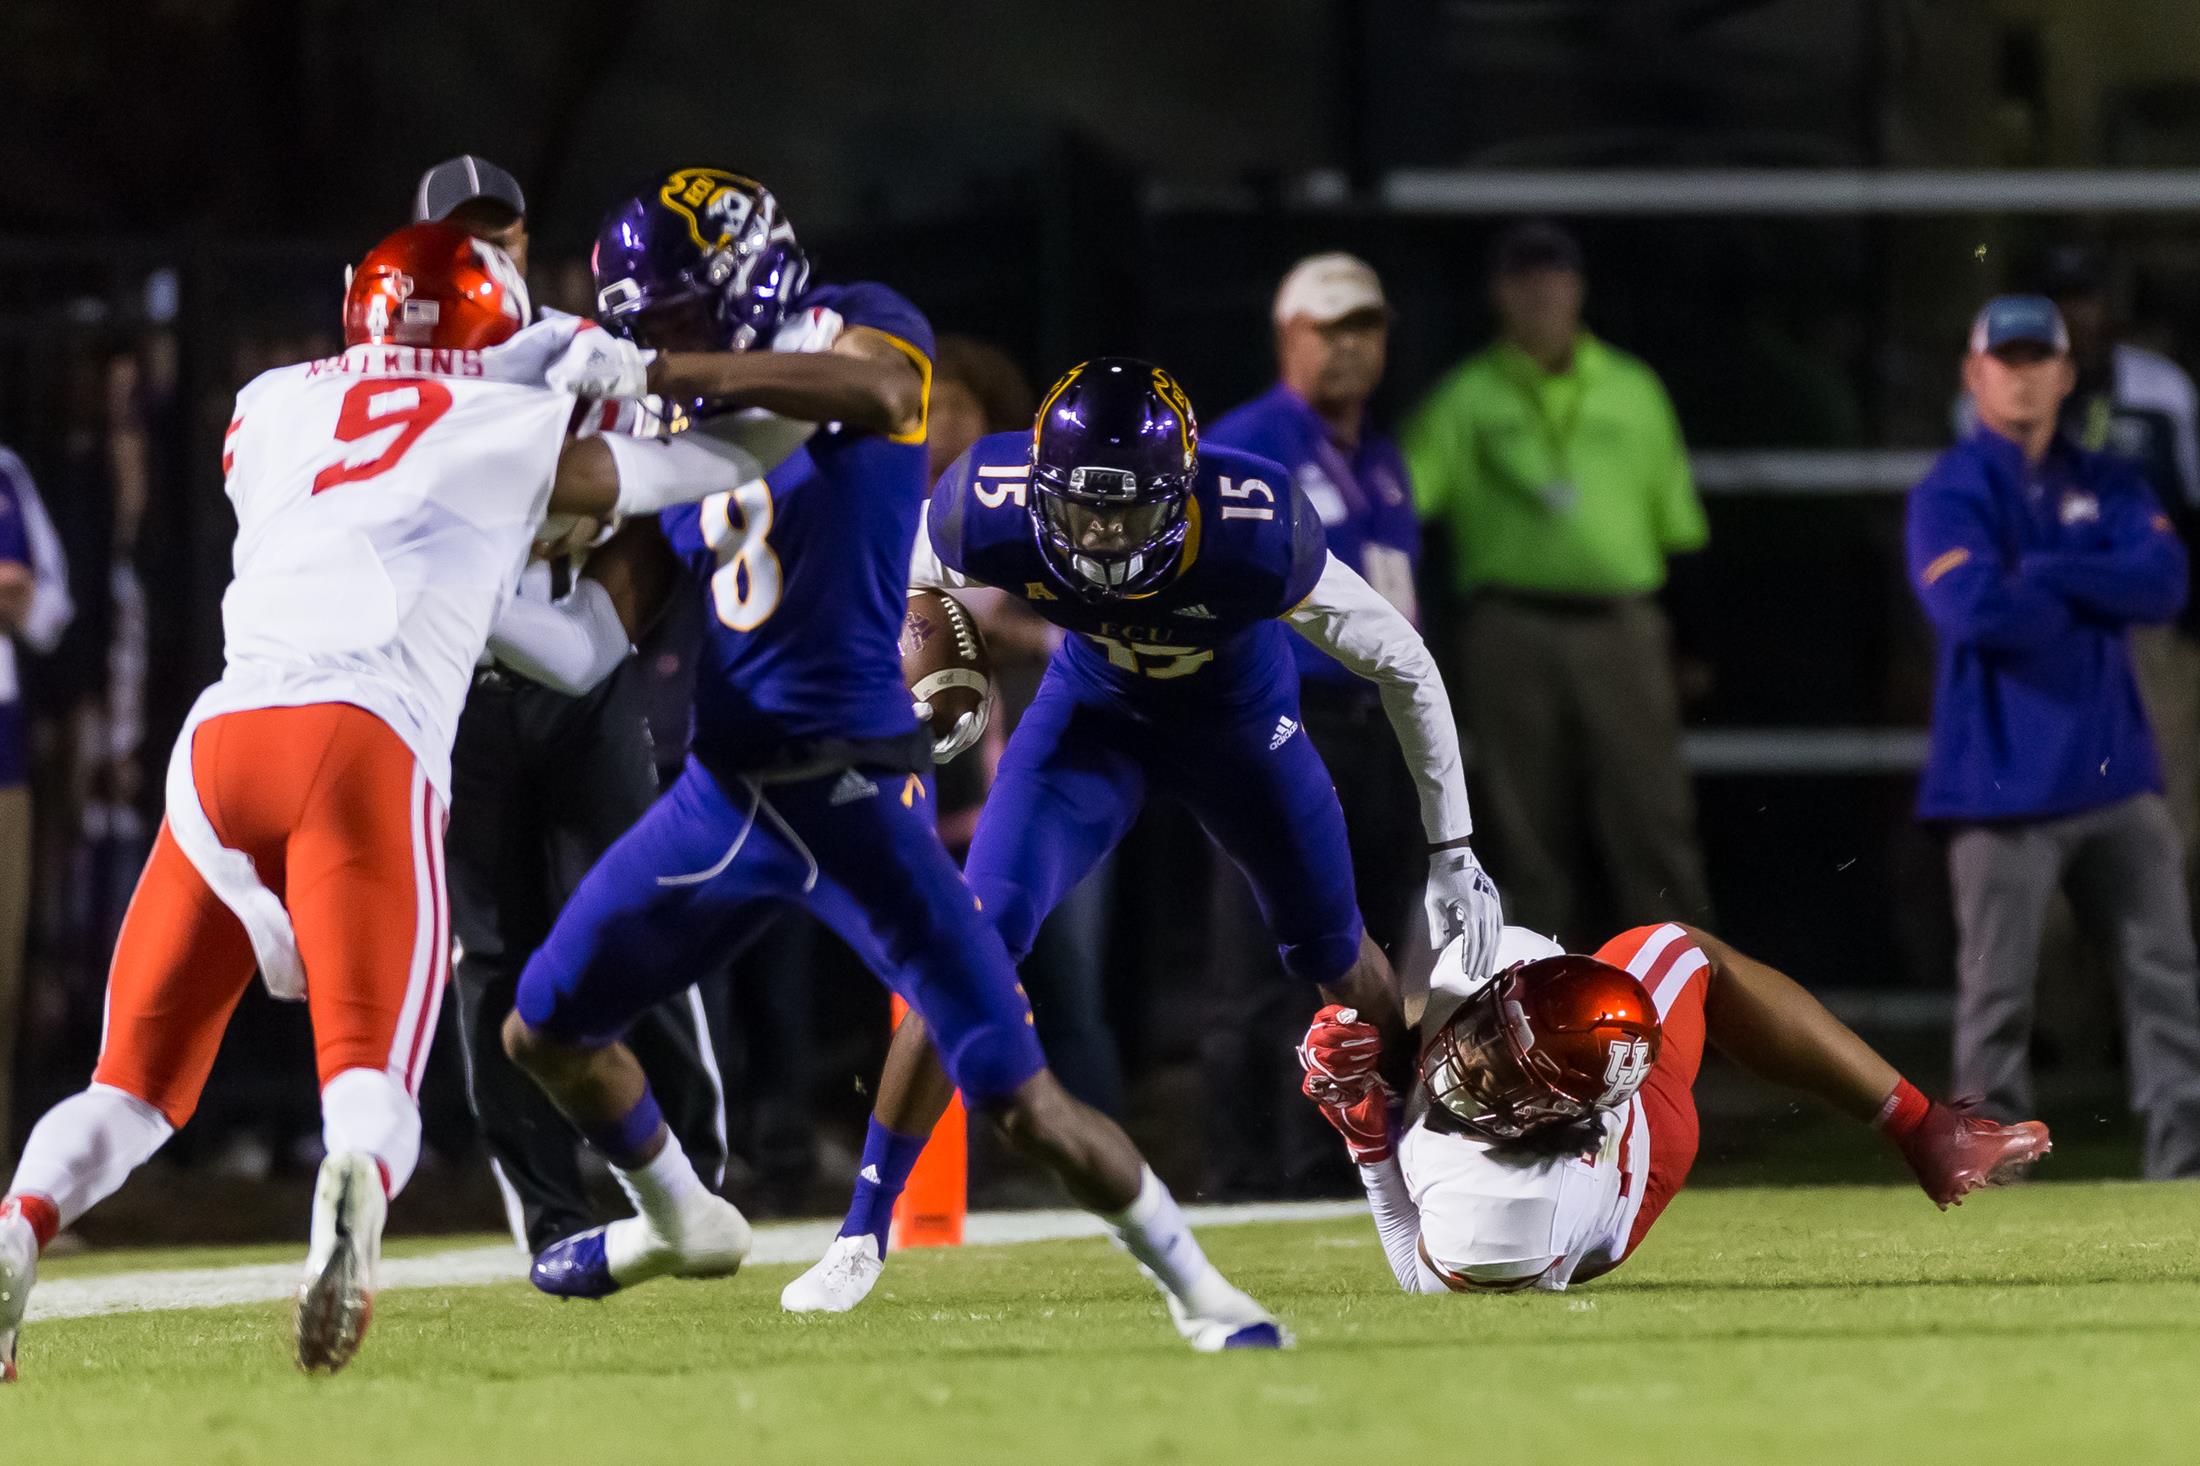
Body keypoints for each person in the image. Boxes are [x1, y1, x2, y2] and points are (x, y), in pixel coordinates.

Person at [497, 170, 1290, 1352]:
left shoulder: (854, 329)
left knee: (1021, 1103)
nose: (646, 340)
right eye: (641, 326)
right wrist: (474, 588)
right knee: (541, 1030)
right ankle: (677, 1220)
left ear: (744, 283)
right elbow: (587, 646)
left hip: (861, 787)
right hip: (726, 791)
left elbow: (878, 387)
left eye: (668, 315)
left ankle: (1204, 1291)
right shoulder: (679, 430)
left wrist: (668, 373)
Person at [0, 220, 800, 1382]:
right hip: (360, 746)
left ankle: (19, 1220)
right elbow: (713, 464)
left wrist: (522, 357)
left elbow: (394, 402)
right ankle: (350, 1182)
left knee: (130, 1086)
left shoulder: (271, 399)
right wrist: (669, 374)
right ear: (492, 322)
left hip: (219, 747)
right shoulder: (509, 419)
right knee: (370, 1082)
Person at [777, 355, 1503, 1314]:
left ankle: (1436, 1171)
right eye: (1082, 508)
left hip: (1239, 730)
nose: (1106, 535)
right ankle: (861, 1236)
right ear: (1038, 489)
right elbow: (893, 585)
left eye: (1129, 510)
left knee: (1339, 955)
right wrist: (914, 659)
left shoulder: (1255, 529)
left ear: (1184, 491)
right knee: (968, 942)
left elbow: (1405, 663)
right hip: (1093, 721)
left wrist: (1453, 851)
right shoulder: (978, 505)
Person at [414, 154, 729, 1255]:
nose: (484, 255)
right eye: (461, 239)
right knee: (488, 953)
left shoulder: (587, 351)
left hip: (583, 671)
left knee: (640, 911)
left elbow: (654, 497)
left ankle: (697, 1165)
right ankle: (546, 1208)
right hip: (456, 689)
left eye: (499, 234)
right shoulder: (394, 367)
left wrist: (608, 623)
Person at [1298, 921, 2051, 1293]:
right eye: (1490, 1031)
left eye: (1498, 1067)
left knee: (1677, 953)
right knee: (1671, 947)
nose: (1466, 1055)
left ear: (1550, 1118)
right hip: (1584, 1109)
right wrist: (1382, 1049)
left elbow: (1415, 1267)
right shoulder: (1498, 1016)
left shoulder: (1505, 1213)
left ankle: (1922, 1129)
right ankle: (1924, 1126)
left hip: (1639, 1159)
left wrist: (1368, 1140)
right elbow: (1443, 1008)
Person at [1910, 294, 2200, 1179]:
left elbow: (2163, 585)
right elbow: (1969, 607)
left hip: (2117, 775)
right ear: (1975, 373)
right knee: (1997, 1004)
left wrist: (2039, 568)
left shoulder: (2109, 479)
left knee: (2168, 990)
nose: (2024, 373)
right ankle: (1997, 1191)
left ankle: (2186, 1176)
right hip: (1998, 784)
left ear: (2067, 375)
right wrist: (2089, 585)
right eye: (2009, 358)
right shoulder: (1952, 487)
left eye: (2041, 358)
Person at [1404, 220, 1710, 948]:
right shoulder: (1466, 398)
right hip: (1511, 628)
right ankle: (1536, 1016)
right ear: (1498, 294)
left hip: (1624, 628)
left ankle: (1692, 999)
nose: (1541, 291)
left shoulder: (1635, 390)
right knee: (1524, 832)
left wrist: (1691, 643)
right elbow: (1404, 499)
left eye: (1554, 276)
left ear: (1578, 288)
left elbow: (1681, 529)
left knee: (1653, 820)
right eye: (1523, 277)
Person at [1200, 252, 1425, 1197]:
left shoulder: (1383, 455)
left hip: (1375, 725)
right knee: (1260, 959)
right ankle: (1241, 1169)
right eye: (1328, 328)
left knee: (1361, 955)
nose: (1347, 347)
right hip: (1280, 721)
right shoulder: (1243, 443)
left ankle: (1335, 1163)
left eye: (1363, 326)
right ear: (1288, 336)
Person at [0, 444, 71, 1161]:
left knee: (2, 984)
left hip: (3, 749)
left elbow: (49, 602)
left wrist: (21, 602)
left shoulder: (6, 471)